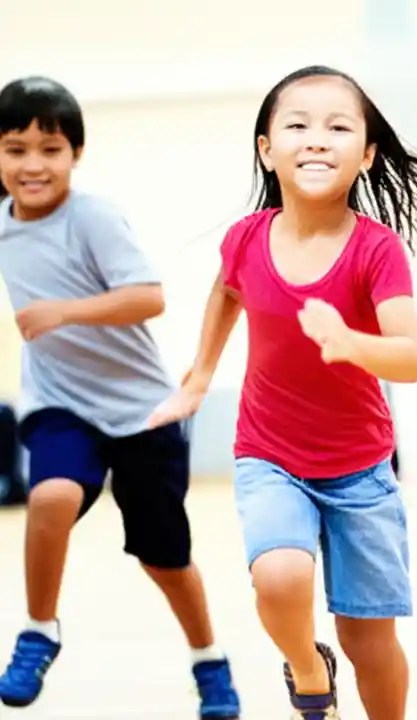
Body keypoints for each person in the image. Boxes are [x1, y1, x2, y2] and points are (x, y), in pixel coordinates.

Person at [149, 65, 417, 720]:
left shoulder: (376, 251)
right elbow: (228, 290)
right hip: (268, 453)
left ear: (368, 153)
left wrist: (351, 343)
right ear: (267, 150)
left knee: (369, 639)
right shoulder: (246, 237)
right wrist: (200, 376)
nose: (317, 139)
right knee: (278, 574)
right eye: (297, 125)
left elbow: (411, 359)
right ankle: (306, 666)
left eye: (338, 126)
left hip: (360, 469)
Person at [0, 76, 240, 718]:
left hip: (142, 413)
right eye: (15, 148)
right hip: (61, 404)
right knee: (49, 497)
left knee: (166, 560)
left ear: (76, 155)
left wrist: (63, 313)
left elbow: (149, 297)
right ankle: (38, 630)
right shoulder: (2, 224)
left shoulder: (94, 217)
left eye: (49, 149)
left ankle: (209, 661)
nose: (32, 164)